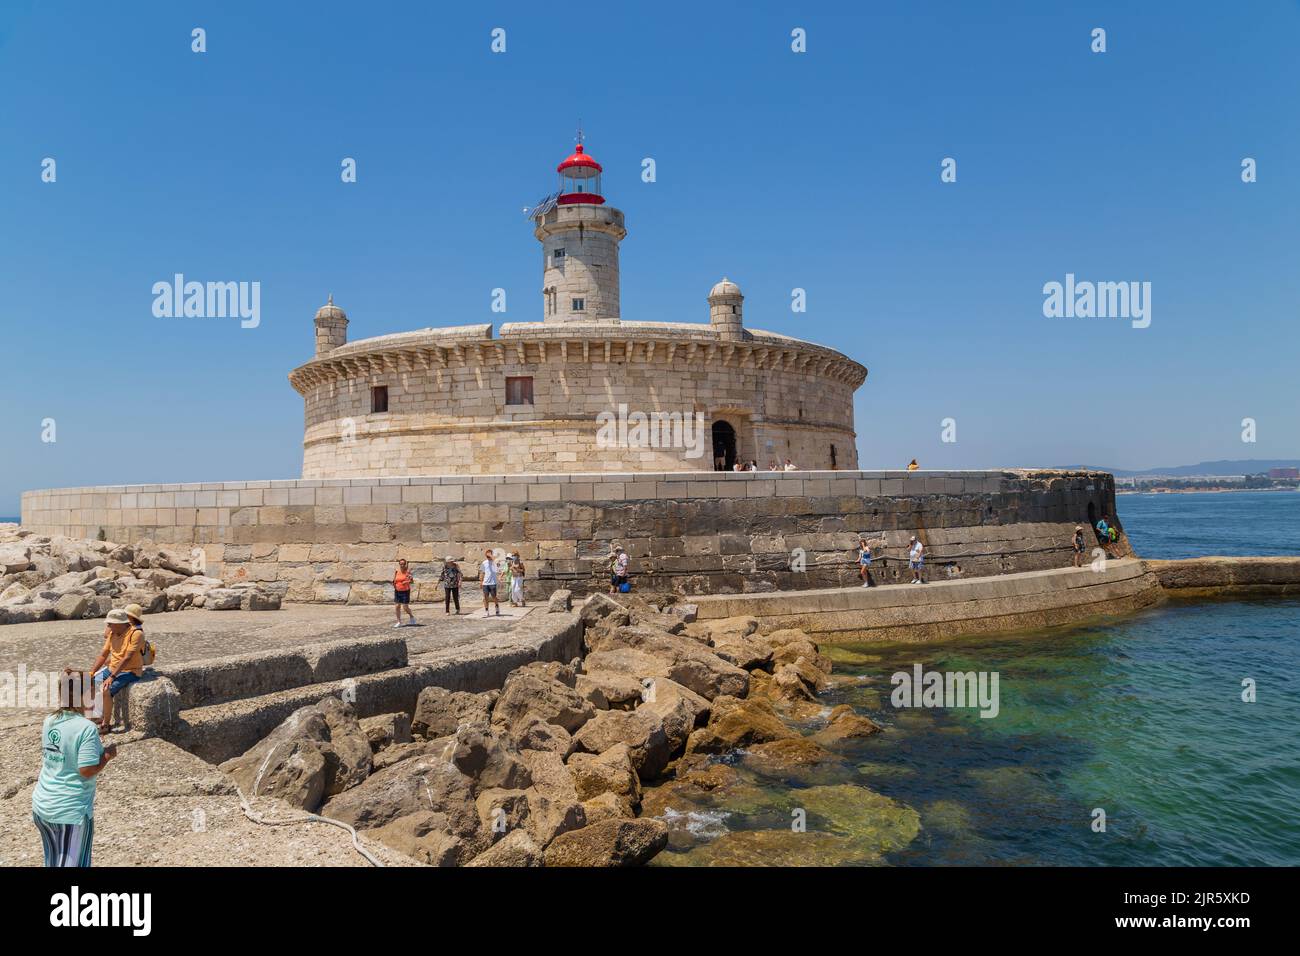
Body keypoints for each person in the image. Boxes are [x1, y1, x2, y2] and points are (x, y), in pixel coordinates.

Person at [32, 670, 116, 867]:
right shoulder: (85, 729)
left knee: (53, 861)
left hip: (43, 806)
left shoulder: (49, 720)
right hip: (69, 812)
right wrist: (107, 756)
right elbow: (86, 770)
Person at [87, 609, 143, 734]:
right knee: (90, 684)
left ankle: (106, 724)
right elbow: (103, 655)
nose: (108, 626)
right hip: (112, 668)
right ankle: (96, 715)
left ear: (120, 624)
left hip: (130, 670)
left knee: (105, 690)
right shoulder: (113, 633)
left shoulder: (136, 634)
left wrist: (112, 677)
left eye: (110, 623)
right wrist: (91, 672)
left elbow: (127, 658)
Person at [392, 558, 417, 628]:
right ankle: (399, 621)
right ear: (399, 564)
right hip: (397, 590)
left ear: (405, 564)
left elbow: (412, 581)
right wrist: (394, 584)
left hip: (405, 591)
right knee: (397, 606)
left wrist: (406, 582)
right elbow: (394, 580)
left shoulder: (407, 572)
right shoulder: (397, 571)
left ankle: (411, 616)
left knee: (405, 607)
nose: (402, 565)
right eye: (401, 564)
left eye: (403, 564)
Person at [480, 549, 501, 617]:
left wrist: (491, 557)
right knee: (485, 597)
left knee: (494, 597)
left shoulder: (495, 561)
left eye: (490, 553)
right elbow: (482, 572)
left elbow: (498, 565)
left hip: (493, 582)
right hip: (485, 583)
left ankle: (497, 607)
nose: (488, 555)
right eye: (487, 554)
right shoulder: (484, 563)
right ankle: (486, 611)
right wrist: (481, 581)